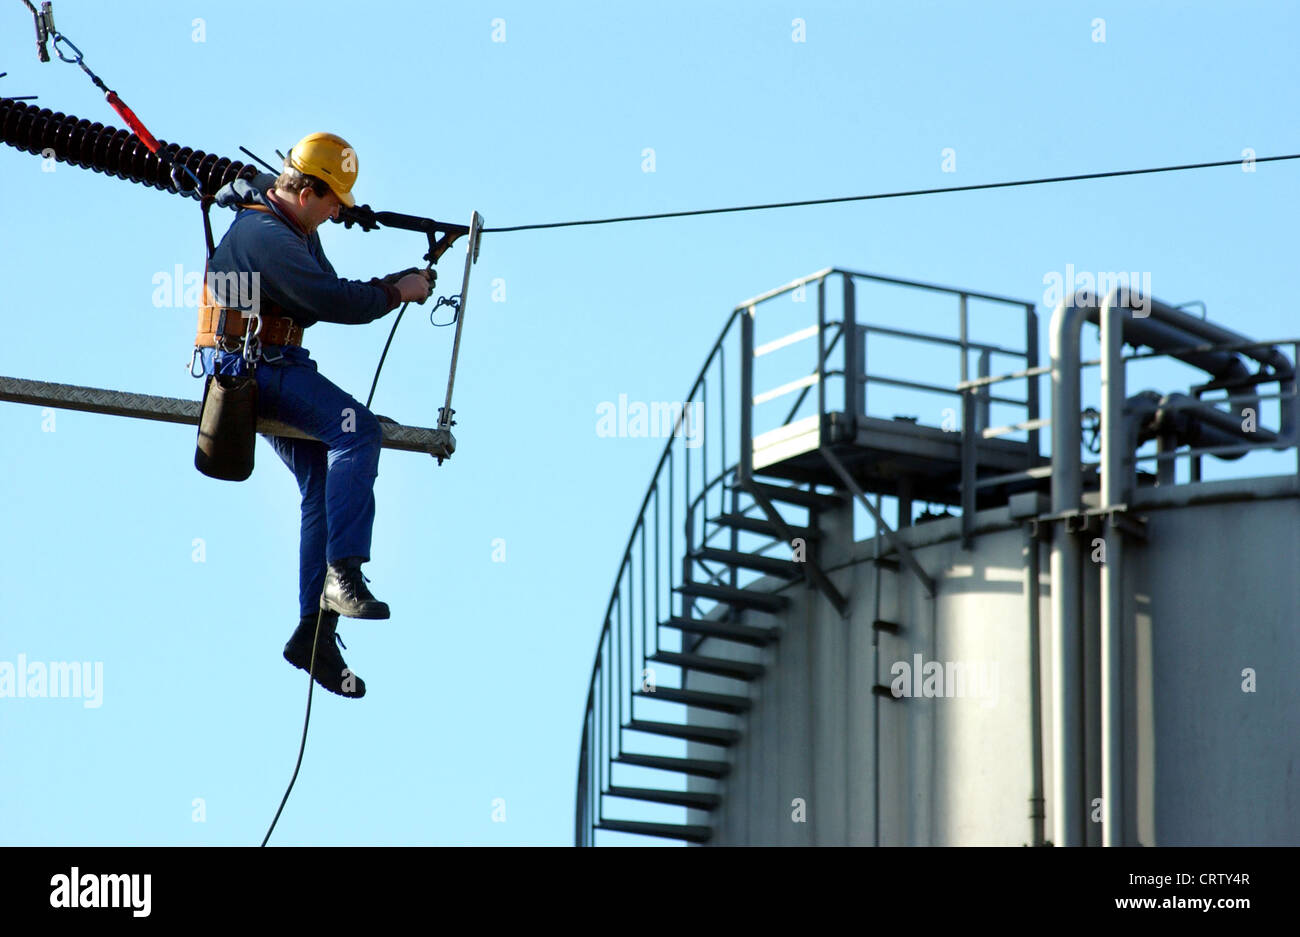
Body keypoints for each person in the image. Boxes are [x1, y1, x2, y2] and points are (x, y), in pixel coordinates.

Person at [195, 132, 432, 700]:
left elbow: (326, 293)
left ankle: (313, 634)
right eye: (333, 202)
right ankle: (342, 574)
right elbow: (330, 301)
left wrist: (388, 286)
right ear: (307, 190)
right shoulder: (263, 233)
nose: (336, 213)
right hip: (254, 365)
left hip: (275, 360)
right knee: (357, 432)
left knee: (323, 480)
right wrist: (395, 292)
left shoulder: (292, 229)